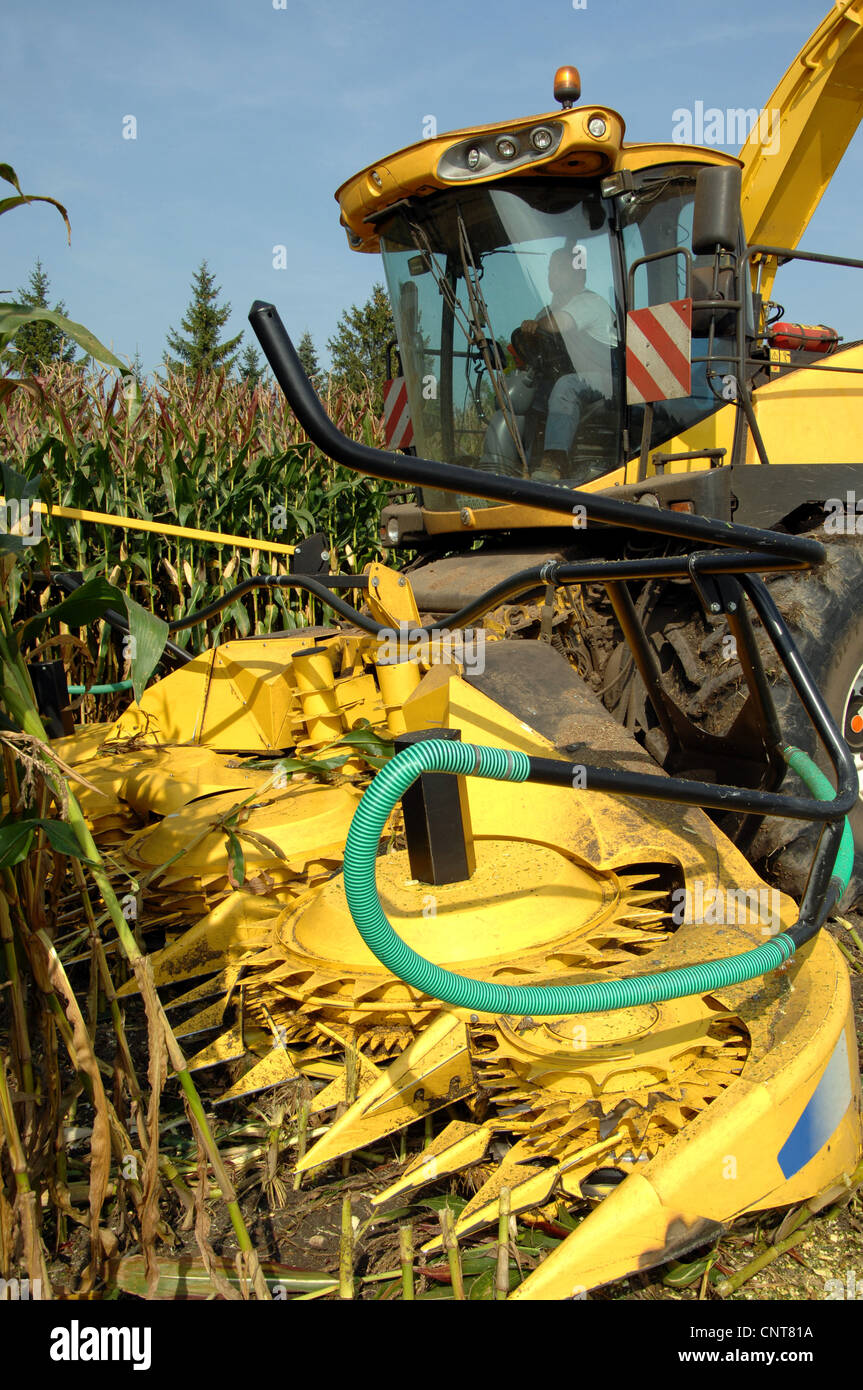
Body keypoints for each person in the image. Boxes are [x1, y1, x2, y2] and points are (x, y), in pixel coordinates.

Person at [479, 246, 618, 481]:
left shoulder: (589, 302)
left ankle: (555, 462)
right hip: (574, 381)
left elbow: (557, 324)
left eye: (558, 269)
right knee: (527, 394)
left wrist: (536, 327)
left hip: (606, 380)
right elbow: (535, 342)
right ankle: (516, 466)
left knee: (566, 386)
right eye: (550, 269)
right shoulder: (548, 311)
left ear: (578, 273)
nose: (551, 275)